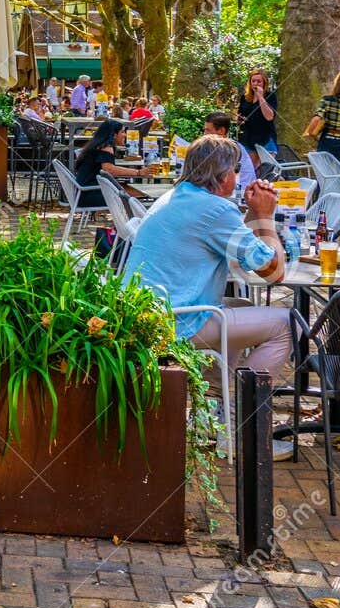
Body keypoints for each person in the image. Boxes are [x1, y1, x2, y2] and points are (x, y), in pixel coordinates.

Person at [124, 135, 293, 454]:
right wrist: (266, 216)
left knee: (240, 306)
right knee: (287, 325)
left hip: (146, 317)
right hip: (171, 324)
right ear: (224, 175)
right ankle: (246, 427)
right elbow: (274, 272)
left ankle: (212, 419)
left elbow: (234, 248)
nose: (241, 177)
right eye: (238, 170)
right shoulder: (214, 208)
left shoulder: (180, 196)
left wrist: (253, 214)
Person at [70, 118, 145, 208]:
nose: (124, 135)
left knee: (131, 189)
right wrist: (138, 172)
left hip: (82, 193)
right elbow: (110, 170)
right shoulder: (106, 148)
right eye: (122, 132)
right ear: (113, 135)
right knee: (140, 191)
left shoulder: (97, 145)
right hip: (89, 195)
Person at [305, 69, 340, 166]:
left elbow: (317, 118)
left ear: (337, 83)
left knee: (325, 173)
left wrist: (310, 133)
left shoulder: (327, 101)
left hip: (328, 143)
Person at [203, 112, 257, 192]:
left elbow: (214, 176)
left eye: (208, 130)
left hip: (240, 193)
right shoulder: (224, 145)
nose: (205, 134)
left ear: (221, 130)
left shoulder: (229, 148)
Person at [237, 69, 278, 152]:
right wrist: (241, 119)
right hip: (247, 138)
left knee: (266, 164)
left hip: (265, 138)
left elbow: (269, 117)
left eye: (259, 81)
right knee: (250, 165)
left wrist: (260, 96)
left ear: (264, 83)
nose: (255, 83)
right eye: (253, 81)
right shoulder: (244, 98)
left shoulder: (270, 96)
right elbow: (239, 117)